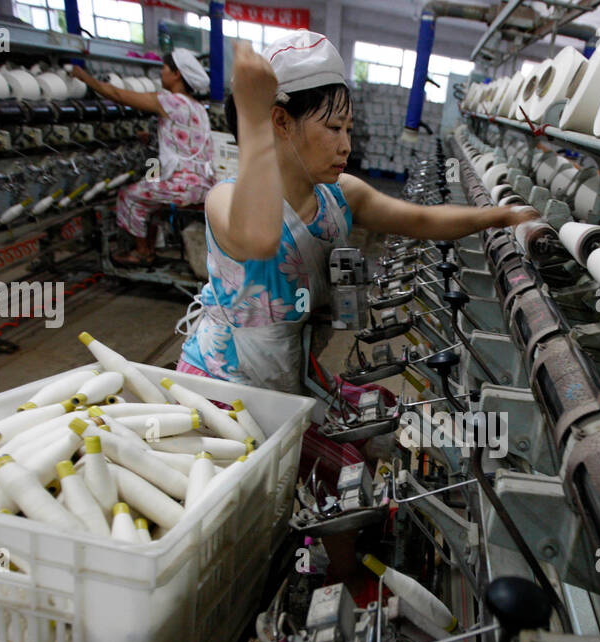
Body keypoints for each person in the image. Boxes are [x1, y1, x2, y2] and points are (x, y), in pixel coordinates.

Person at [175, 30, 537, 396]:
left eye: (349, 129)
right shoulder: (224, 199)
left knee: (377, 411)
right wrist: (252, 119)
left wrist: (500, 216)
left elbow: (422, 221)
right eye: (333, 128)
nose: (345, 145)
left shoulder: (339, 196)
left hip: (290, 378)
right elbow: (260, 237)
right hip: (221, 388)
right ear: (281, 121)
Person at [70, 51, 215, 267]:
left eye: (164, 68)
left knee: (128, 195)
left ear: (176, 74)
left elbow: (118, 95)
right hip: (204, 183)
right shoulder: (197, 107)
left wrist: (86, 79)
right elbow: (183, 140)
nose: (161, 73)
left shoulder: (170, 101)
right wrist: (151, 138)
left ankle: (141, 252)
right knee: (151, 200)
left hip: (183, 185)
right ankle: (149, 248)